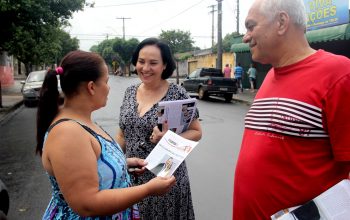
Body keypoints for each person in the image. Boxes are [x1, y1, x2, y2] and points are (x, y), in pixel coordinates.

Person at [233, 0, 350, 219]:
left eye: (251, 26)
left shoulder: (339, 74)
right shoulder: (270, 76)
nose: (246, 37)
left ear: (281, 22)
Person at [36, 50, 176, 219]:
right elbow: (87, 204)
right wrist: (148, 189)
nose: (109, 88)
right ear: (91, 87)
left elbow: (91, 164)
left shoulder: (81, 121)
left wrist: (123, 165)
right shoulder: (68, 134)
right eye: (106, 81)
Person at [116, 38, 202, 220]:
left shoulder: (177, 94)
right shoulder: (130, 92)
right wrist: (115, 162)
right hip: (131, 181)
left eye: (153, 63)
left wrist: (168, 138)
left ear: (164, 65)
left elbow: (196, 132)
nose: (145, 68)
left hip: (165, 181)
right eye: (141, 61)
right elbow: (122, 134)